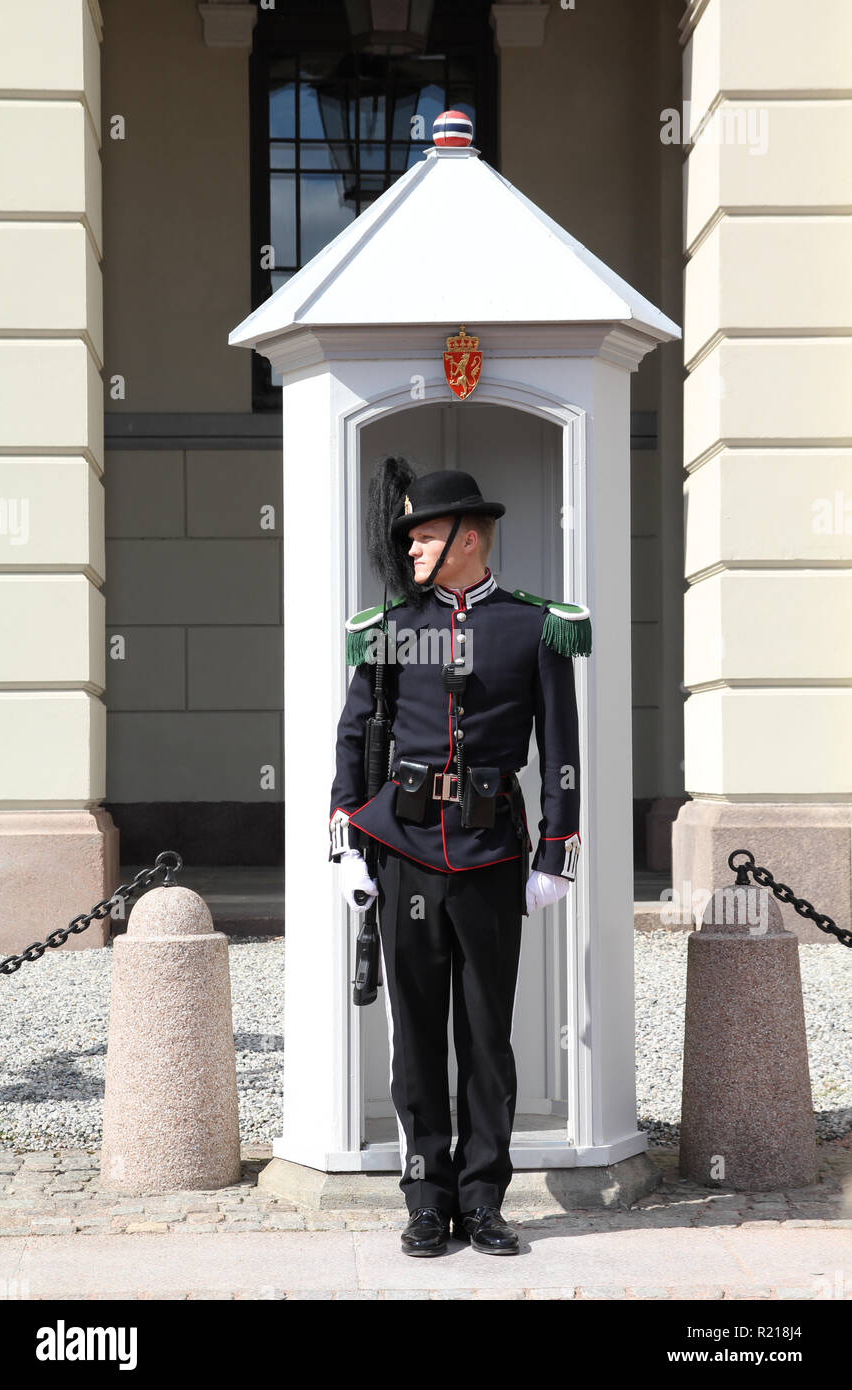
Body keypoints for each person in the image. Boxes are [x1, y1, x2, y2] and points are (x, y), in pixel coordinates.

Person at [328, 459, 591, 1257]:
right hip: (403, 849)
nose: (410, 548)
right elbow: (354, 735)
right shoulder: (388, 628)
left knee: (485, 1038)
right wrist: (345, 841)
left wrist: (557, 851)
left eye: (426, 536)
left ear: (468, 540)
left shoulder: (533, 624)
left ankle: (483, 1200)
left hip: (487, 856)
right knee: (415, 1035)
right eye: (407, 537)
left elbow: (561, 748)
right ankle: (425, 1197)